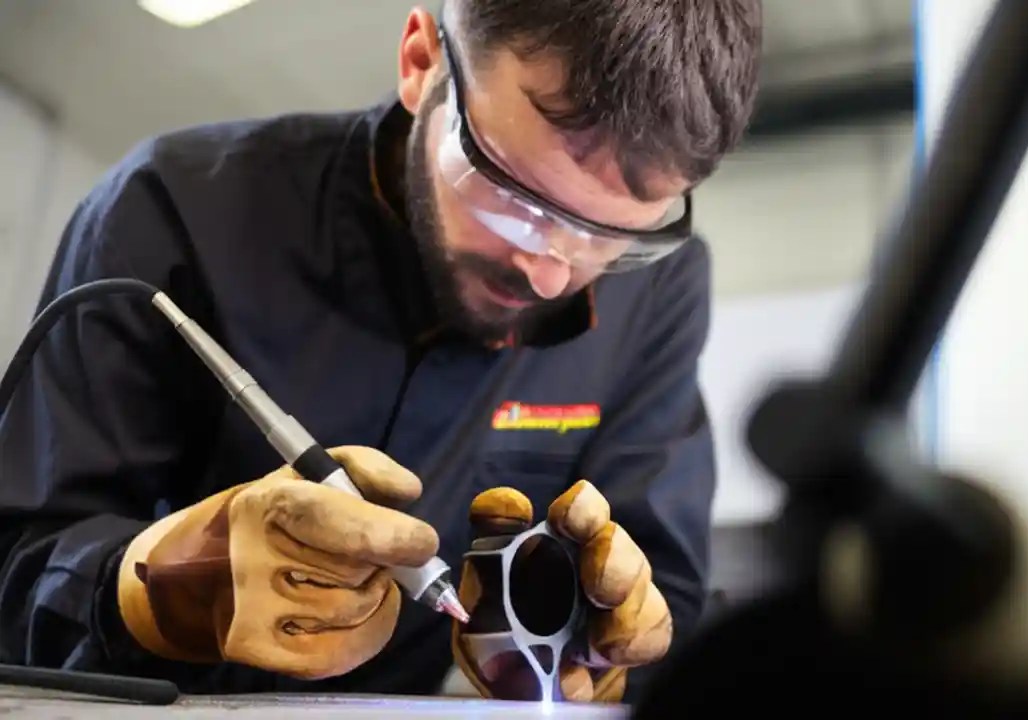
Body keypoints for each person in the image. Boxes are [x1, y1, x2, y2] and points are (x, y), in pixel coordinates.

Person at [0, 0, 763, 704]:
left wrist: (606, 646)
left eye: (611, 237)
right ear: (421, 61)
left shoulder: (660, 289)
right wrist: (164, 590)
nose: (552, 270)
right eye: (516, 197)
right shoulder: (172, 214)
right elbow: (18, 567)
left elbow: (667, 601)